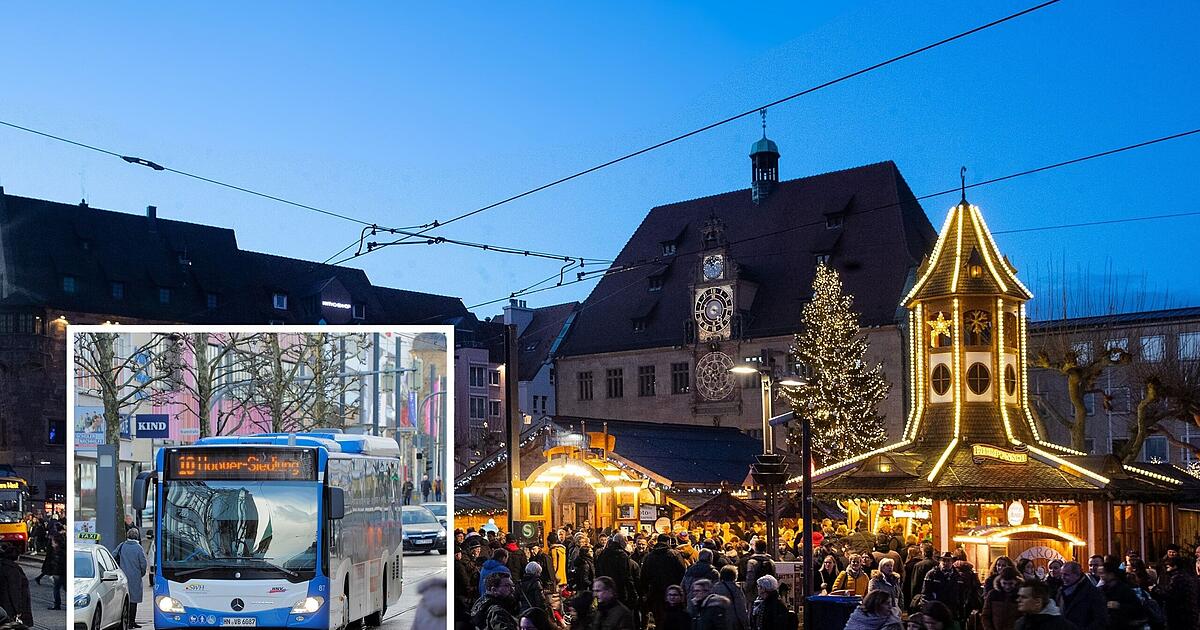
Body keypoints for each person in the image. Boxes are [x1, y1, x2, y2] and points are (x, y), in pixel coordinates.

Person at [639, 534, 686, 627]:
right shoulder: (674, 554)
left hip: (655, 594)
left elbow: (643, 576)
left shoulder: (650, 556)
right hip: (672, 593)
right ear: (668, 541)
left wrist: (645, 592)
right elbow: (683, 572)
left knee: (659, 620)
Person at [1056, 561, 1106, 630]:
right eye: (1062, 574)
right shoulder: (1061, 591)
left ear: (1077, 575)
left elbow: (1101, 620)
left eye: (1066, 575)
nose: (1062, 577)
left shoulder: (1093, 592)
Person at [1152, 555, 1198, 630]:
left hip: (1179, 615)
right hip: (1190, 614)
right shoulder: (1190, 576)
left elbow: (1169, 593)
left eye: (1168, 567)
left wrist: (1155, 589)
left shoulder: (1178, 577)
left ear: (1175, 566)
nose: (1166, 570)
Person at [113, 528, 148, 627]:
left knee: (124, 599)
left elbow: (113, 556)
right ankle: (132, 622)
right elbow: (143, 564)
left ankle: (125, 621)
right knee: (133, 600)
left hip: (122, 576)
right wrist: (141, 573)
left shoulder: (122, 545)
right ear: (137, 536)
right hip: (135, 578)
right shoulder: (139, 548)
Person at [1097, 561, 1143, 630]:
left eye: (1102, 573)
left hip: (1123, 624)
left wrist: (1119, 606)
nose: (1100, 576)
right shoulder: (1100, 590)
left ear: (1111, 574)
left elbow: (1137, 608)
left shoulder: (1124, 589)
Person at [924, 552, 967, 622]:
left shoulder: (958, 576)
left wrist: (961, 614)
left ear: (952, 562)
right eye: (943, 560)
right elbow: (926, 594)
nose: (945, 563)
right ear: (939, 561)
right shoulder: (932, 574)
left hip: (953, 611)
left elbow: (961, 597)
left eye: (948, 560)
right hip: (937, 610)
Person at [0, 543, 32, 626]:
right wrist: (18, 610)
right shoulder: (13, 570)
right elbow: (15, 591)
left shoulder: (3, 566)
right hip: (10, 608)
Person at [712, 565, 749, 630]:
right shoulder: (735, 588)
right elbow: (740, 607)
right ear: (734, 576)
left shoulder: (714, 588)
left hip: (718, 621)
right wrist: (745, 624)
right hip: (732, 622)